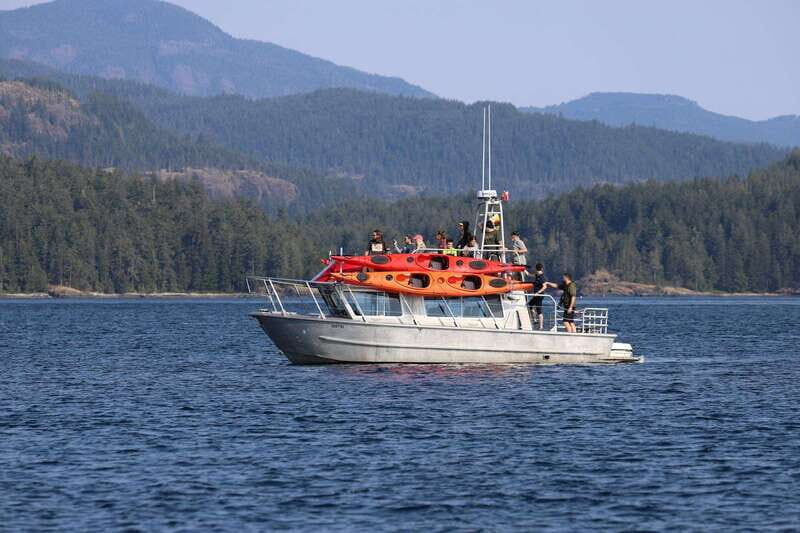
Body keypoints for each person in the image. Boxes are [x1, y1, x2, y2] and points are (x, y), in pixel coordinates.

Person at [527, 263, 547, 330]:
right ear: (542, 268)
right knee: (530, 305)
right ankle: (535, 319)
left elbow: (545, 286)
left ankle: (541, 326)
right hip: (536, 295)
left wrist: (538, 292)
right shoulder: (537, 275)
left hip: (539, 295)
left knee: (539, 311)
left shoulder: (542, 277)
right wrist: (523, 269)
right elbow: (528, 274)